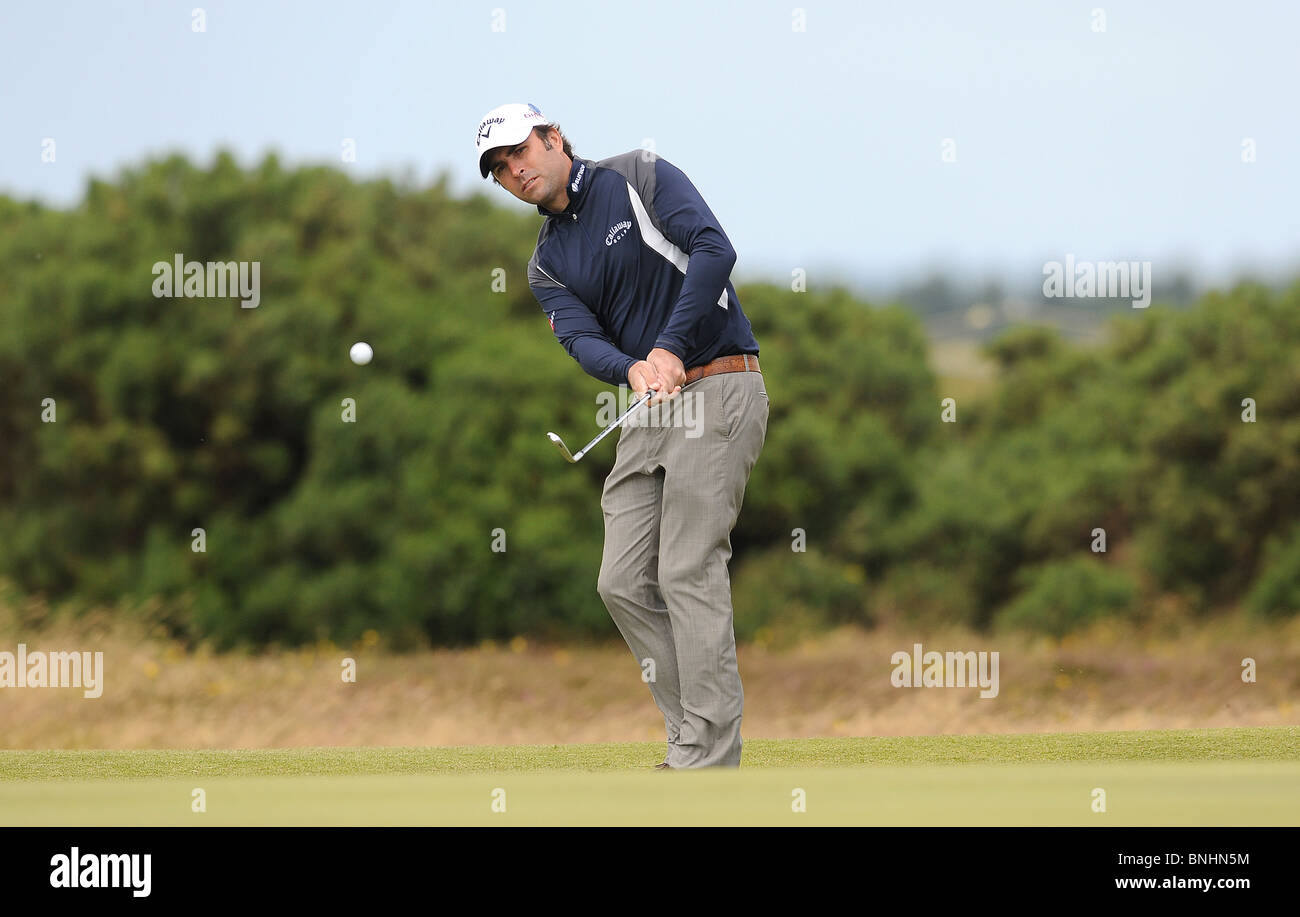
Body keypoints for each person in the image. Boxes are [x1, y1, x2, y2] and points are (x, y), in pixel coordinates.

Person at [475, 102, 768, 769]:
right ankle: (692, 734)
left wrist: (667, 345)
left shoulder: (639, 174)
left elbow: (714, 249)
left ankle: (710, 755)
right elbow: (579, 338)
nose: (514, 169)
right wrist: (633, 366)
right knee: (622, 580)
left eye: (520, 150)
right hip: (646, 407)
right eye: (499, 168)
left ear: (554, 138)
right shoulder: (546, 264)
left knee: (688, 565)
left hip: (719, 382)